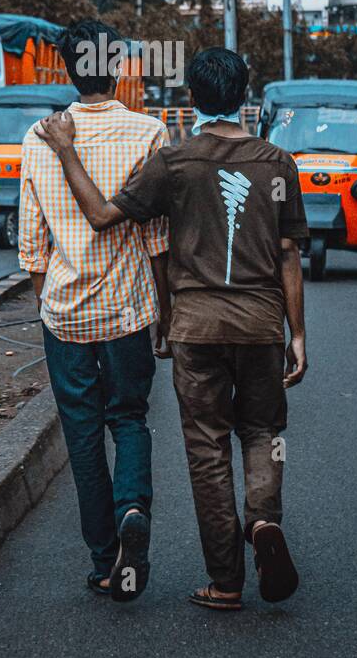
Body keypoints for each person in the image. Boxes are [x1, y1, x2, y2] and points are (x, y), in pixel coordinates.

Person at [36, 46, 309, 612]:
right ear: (245, 96)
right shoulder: (278, 164)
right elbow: (288, 254)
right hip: (261, 324)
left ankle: (225, 582)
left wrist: (65, 150)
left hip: (196, 327)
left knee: (208, 447)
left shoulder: (175, 163)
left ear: (192, 98)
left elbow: (103, 216)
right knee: (262, 431)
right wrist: (298, 334)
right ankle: (263, 522)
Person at [18, 19, 170, 602]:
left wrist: (48, 307)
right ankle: (132, 507)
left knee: (82, 435)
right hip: (128, 310)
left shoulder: (39, 137)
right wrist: (164, 312)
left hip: (65, 314)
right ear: (117, 68)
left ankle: (107, 561)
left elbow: (32, 243)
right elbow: (156, 236)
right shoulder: (148, 133)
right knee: (128, 418)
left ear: (66, 68)